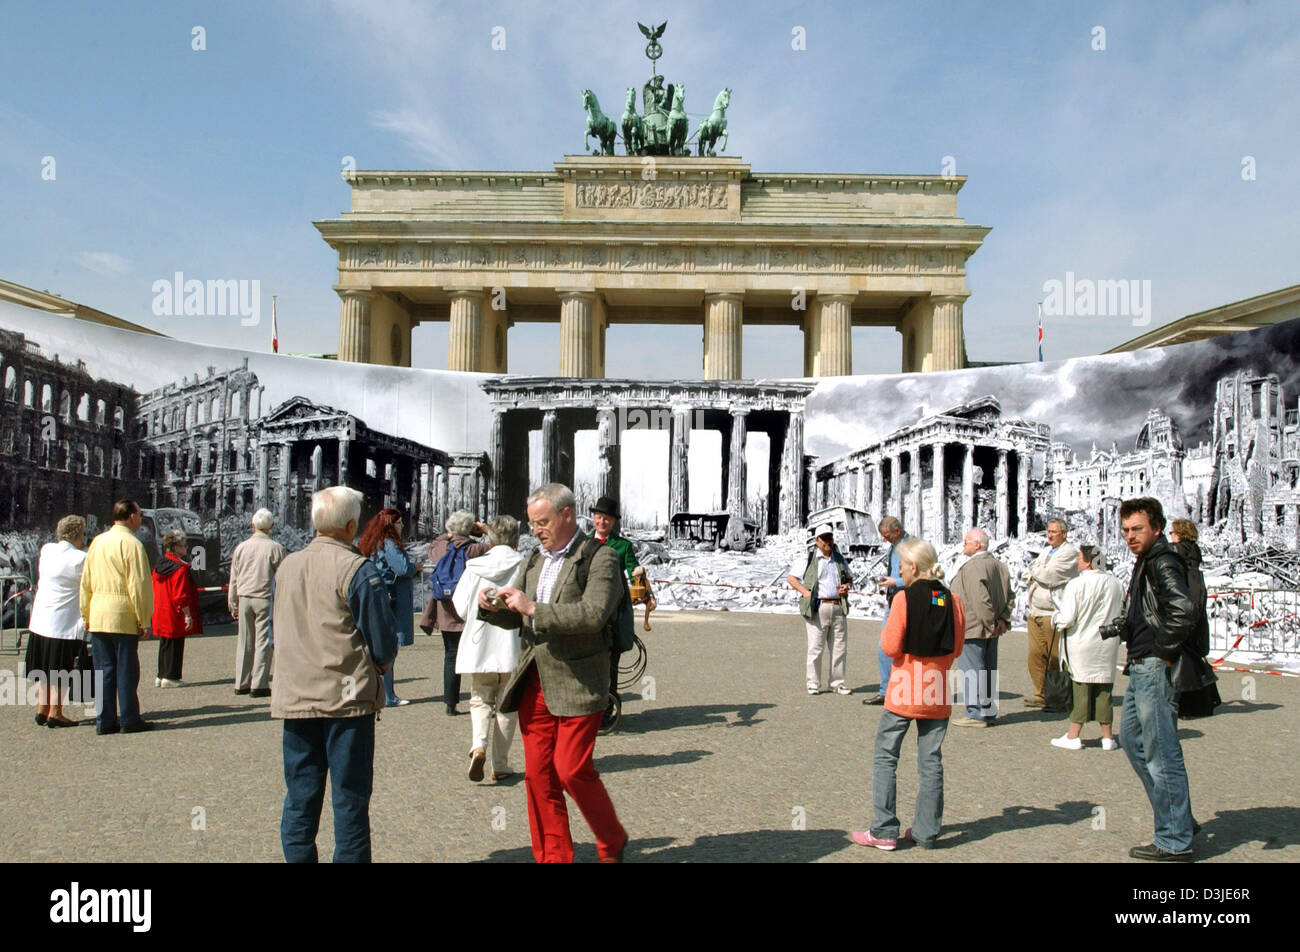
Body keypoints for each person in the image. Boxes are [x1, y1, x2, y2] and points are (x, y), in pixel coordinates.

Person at [476, 482, 628, 863]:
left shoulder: (601, 557)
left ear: (567, 515)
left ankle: (611, 838)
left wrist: (531, 609)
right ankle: (554, 856)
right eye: (531, 524)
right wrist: (496, 605)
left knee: (571, 768)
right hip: (534, 681)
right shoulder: (533, 559)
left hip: (579, 681)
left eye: (542, 522)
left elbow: (593, 615)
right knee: (538, 777)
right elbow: (522, 618)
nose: (536, 530)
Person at [271, 486, 399, 863]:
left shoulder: (287, 566)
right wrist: (381, 665)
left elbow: (279, 628)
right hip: (346, 703)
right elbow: (382, 639)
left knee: (300, 797)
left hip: (296, 699)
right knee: (350, 801)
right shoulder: (357, 569)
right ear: (349, 524)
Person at [851, 537, 965, 850]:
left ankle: (885, 830)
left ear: (913, 567)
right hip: (937, 690)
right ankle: (927, 831)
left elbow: (889, 646)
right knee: (931, 762)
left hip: (905, 690)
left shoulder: (902, 599)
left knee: (886, 757)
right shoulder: (952, 600)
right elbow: (956, 648)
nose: (900, 570)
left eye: (901, 565)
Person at [1117, 496, 1196, 861]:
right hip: (1139, 664)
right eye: (1126, 530)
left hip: (1153, 664)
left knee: (1161, 751)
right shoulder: (1144, 561)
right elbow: (1151, 610)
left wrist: (1163, 652)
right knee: (1131, 740)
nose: (1130, 536)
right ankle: (1177, 816)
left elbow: (1183, 610)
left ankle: (1174, 839)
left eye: (1137, 529)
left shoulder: (1162, 560)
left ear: (1157, 528)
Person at [452, 515, 525, 782]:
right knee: (507, 705)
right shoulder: (523, 566)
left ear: (490, 538)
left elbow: (460, 608)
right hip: (512, 643)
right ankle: (501, 764)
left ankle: (478, 745)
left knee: (480, 698)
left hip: (480, 642)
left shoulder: (474, 567)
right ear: (516, 539)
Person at [80, 499, 154, 735]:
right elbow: (139, 586)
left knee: (104, 670)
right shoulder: (132, 544)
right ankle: (130, 718)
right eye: (139, 514)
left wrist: (86, 613)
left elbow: (86, 583)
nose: (140, 519)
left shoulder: (97, 542)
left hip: (99, 612)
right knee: (126, 669)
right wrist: (144, 619)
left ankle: (105, 720)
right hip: (122, 613)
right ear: (131, 516)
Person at [1049, 544, 1123, 750]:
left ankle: (1073, 735)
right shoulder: (1116, 584)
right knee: (1104, 689)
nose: (1076, 561)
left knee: (1080, 688)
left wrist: (1055, 615)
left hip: (1082, 643)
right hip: (1107, 642)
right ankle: (1107, 737)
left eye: (1080, 558)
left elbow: (1067, 618)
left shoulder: (1076, 585)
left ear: (1089, 561)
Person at [590, 495, 655, 719]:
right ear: (593, 518)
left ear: (614, 522)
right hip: (588, 612)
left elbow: (636, 573)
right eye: (598, 517)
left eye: (606, 519)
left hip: (614, 613)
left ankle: (607, 706)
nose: (602, 522)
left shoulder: (623, 546)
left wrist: (648, 595)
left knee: (611, 661)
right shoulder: (583, 543)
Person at [421, 510, 488, 715]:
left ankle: (450, 703)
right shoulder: (476, 548)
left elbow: (432, 545)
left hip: (445, 608)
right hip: (469, 609)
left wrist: (447, 535)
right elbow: (500, 546)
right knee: (479, 655)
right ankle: (483, 701)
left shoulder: (441, 548)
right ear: (470, 529)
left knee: (450, 655)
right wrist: (485, 530)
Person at [25, 515, 88, 728]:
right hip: (64, 623)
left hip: (41, 619)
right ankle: (56, 712)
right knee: (60, 668)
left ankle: (42, 709)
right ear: (77, 534)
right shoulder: (80, 558)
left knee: (44, 667)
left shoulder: (47, 550)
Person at [358, 508, 423, 707]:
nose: (402, 525)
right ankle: (388, 695)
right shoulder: (389, 543)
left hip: (379, 594)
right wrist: (415, 568)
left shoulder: (372, 542)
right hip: (393, 597)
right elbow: (402, 568)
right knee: (389, 645)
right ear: (391, 524)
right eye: (399, 522)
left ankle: (380, 691)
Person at [948, 527, 1012, 727]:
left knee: (972, 670)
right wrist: (1002, 620)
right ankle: (988, 710)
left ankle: (975, 713)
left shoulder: (974, 567)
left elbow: (980, 599)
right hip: (993, 627)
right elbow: (1009, 595)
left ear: (977, 545)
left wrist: (991, 622)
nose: (963, 545)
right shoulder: (1000, 565)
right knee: (988, 669)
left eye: (966, 542)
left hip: (975, 626)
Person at [787, 523, 853, 695]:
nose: (827, 542)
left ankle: (837, 683)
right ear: (816, 541)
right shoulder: (809, 559)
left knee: (840, 647)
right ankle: (813, 683)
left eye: (830, 538)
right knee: (816, 647)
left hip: (838, 606)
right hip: (818, 607)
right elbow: (792, 578)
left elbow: (849, 578)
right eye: (823, 539)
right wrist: (805, 593)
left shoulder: (839, 559)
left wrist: (846, 586)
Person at [228, 508, 286, 698]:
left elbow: (234, 577)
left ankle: (241, 682)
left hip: (244, 597)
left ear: (252, 525)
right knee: (263, 641)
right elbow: (282, 577)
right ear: (271, 526)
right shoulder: (276, 548)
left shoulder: (241, 547)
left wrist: (232, 601)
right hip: (265, 599)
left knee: (244, 641)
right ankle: (259, 684)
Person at [1023, 518, 1079, 709]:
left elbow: (1048, 576)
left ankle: (1057, 696)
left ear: (1064, 534)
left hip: (1052, 612)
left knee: (1054, 656)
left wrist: (1036, 570)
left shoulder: (1069, 553)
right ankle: (1040, 694)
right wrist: (1037, 570)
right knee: (1036, 654)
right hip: (1035, 610)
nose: (1050, 535)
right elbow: (1028, 573)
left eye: (1054, 532)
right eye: (1048, 531)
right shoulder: (1046, 551)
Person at [1168, 519, 1221, 718]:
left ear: (1180, 534)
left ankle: (1186, 704)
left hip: (1184, 605)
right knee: (1193, 656)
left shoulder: (1177, 551)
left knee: (1182, 658)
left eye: (1172, 532)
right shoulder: (1194, 552)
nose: (1170, 535)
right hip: (1195, 604)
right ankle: (1200, 702)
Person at [150, 530, 203, 687]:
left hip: (160, 611)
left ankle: (161, 674)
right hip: (174, 613)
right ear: (174, 548)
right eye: (183, 545)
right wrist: (188, 615)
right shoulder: (179, 569)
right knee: (176, 644)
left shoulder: (158, 566)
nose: (186, 547)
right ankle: (171, 676)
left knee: (165, 643)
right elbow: (181, 595)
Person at [865, 516, 907, 705]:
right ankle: (888, 690)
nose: (885, 539)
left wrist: (895, 582)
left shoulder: (911, 547)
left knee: (892, 646)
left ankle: (892, 691)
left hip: (905, 601)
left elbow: (923, 575)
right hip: (894, 600)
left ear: (897, 531)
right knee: (887, 646)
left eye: (887, 535)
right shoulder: (893, 547)